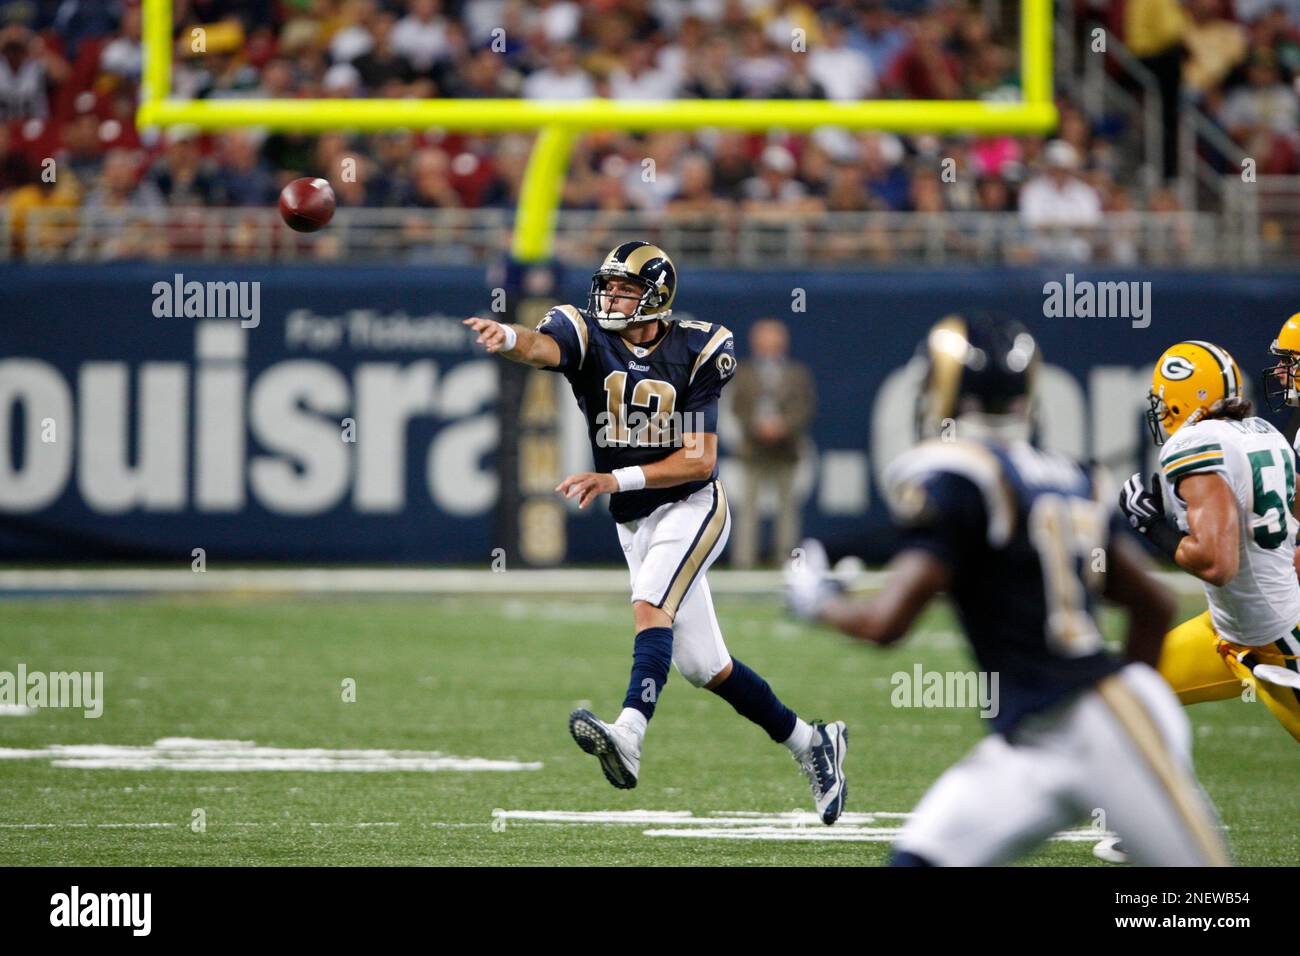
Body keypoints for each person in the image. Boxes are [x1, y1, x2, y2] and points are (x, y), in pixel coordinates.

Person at [786, 316, 1229, 866]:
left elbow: (886, 625)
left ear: (950, 388)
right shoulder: (1072, 475)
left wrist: (818, 600)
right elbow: (1153, 604)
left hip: (1101, 728)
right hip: (1036, 737)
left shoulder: (953, 473)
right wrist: (1135, 688)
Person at [463, 241, 847, 824]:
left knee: (649, 605)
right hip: (636, 521)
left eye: (624, 289)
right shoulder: (587, 334)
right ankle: (812, 743)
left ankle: (630, 732)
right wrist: (510, 337)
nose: (611, 298)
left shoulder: (698, 349)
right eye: (609, 286)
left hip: (692, 506)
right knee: (705, 667)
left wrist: (614, 478)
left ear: (657, 296)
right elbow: (542, 347)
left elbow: (699, 461)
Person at [730, 318, 816, 569]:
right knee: (747, 507)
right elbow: (737, 407)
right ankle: (744, 559)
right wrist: (757, 426)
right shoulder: (743, 371)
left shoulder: (796, 373)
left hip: (786, 448)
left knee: (788, 507)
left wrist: (784, 426)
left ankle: (786, 558)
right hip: (752, 448)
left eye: (774, 338)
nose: (769, 343)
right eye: (764, 338)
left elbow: (805, 406)